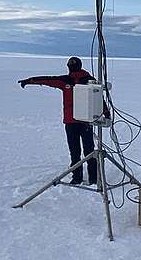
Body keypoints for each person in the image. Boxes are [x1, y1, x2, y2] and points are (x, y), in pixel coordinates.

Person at [19, 56, 97, 185]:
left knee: (80, 151)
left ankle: (86, 178)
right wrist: (30, 81)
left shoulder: (88, 80)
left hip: (83, 121)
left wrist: (29, 80)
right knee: (82, 151)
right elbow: (47, 80)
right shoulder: (70, 79)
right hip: (75, 122)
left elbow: (98, 97)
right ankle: (87, 178)